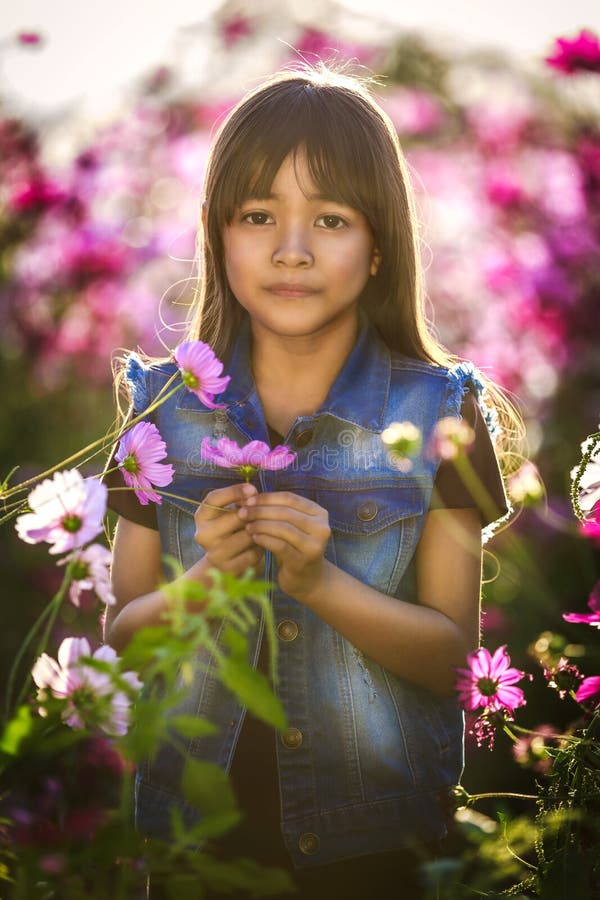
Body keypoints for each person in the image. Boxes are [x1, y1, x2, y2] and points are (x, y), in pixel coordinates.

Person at [104, 65, 517, 899]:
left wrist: (320, 584)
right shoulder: (165, 411)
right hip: (195, 857)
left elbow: (453, 658)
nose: (291, 250)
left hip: (379, 859)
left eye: (330, 220)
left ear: (378, 247)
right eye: (258, 216)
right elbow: (123, 637)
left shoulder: (441, 413)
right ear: (220, 235)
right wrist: (209, 582)